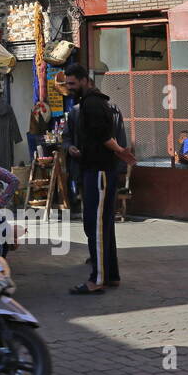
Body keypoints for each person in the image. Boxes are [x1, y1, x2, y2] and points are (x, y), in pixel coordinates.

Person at [62, 65, 136, 294]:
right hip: (97, 171)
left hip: (98, 173)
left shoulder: (92, 103)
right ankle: (111, 275)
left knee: (97, 226)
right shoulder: (92, 102)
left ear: (85, 80)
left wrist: (120, 152)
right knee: (102, 225)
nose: (69, 88)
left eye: (72, 83)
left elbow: (105, 135)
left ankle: (98, 279)